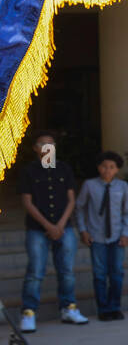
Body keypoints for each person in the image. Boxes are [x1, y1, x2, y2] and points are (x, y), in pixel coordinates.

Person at [18, 131, 89, 330]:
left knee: (67, 271)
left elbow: (71, 199)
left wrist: (60, 225)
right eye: (43, 144)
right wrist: (48, 226)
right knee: (35, 271)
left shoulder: (64, 169)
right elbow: (27, 201)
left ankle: (69, 308)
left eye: (51, 144)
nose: (47, 148)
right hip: (37, 229)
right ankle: (29, 312)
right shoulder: (28, 171)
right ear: (35, 148)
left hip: (64, 227)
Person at [75, 150, 128, 321]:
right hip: (96, 236)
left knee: (116, 273)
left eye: (111, 167)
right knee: (100, 274)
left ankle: (115, 306)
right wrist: (83, 230)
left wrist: (125, 233)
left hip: (116, 236)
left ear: (117, 170)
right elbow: (79, 208)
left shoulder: (123, 187)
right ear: (98, 168)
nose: (107, 170)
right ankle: (103, 308)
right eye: (104, 166)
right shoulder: (89, 185)